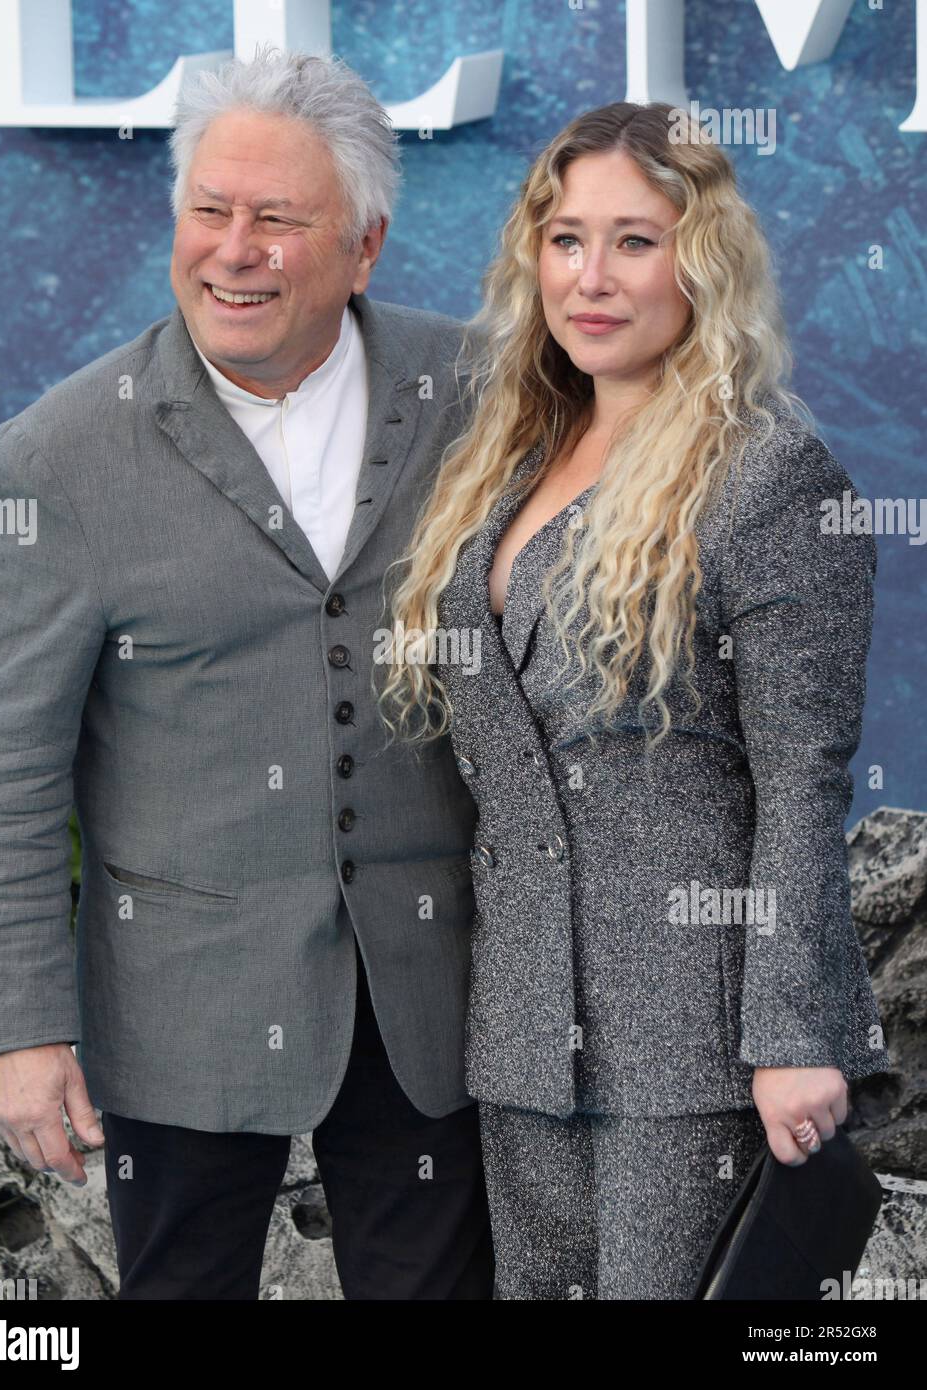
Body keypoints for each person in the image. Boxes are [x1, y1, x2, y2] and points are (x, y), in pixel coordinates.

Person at [0, 47, 495, 1300]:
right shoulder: (62, 455)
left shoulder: (477, 391)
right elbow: (8, 775)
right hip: (179, 1002)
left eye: (276, 219)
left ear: (363, 246)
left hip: (427, 995)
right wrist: (23, 1032)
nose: (232, 249)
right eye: (209, 210)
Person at [377, 101, 891, 1300]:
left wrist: (793, 1038)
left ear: (700, 261)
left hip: (696, 1054)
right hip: (521, 1044)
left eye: (634, 241)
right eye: (565, 240)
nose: (591, 278)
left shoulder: (768, 474)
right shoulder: (505, 464)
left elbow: (802, 784)